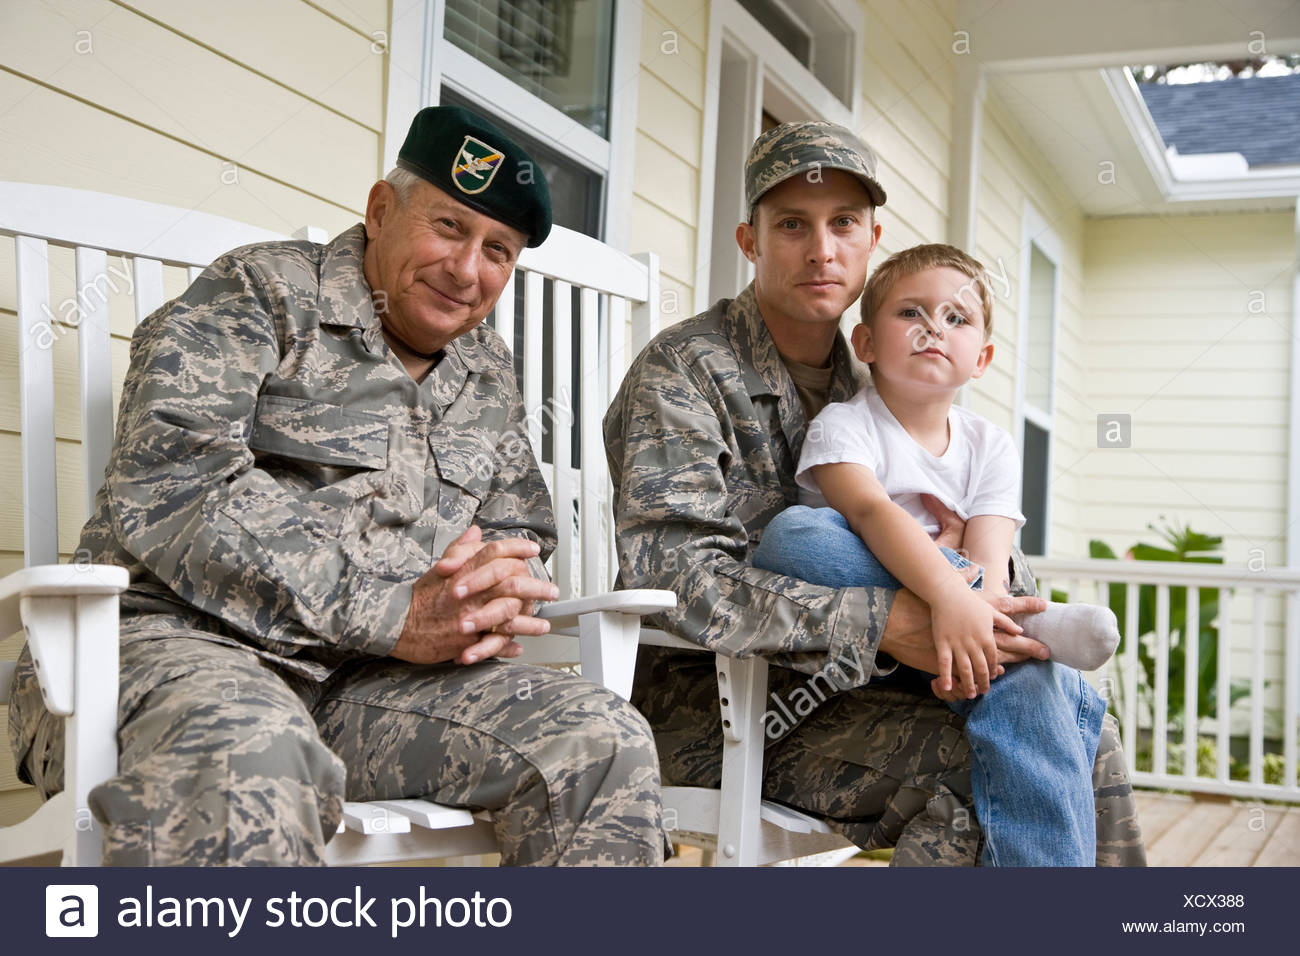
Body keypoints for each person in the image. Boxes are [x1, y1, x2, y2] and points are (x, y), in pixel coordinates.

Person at [8, 105, 664, 866]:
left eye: (498, 251)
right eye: (449, 227)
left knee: (601, 739)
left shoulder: (487, 369)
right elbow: (174, 484)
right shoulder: (257, 293)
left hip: (369, 689)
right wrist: (393, 613)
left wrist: (494, 589)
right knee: (250, 750)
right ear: (381, 211)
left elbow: (521, 533)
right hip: (173, 648)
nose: (467, 270)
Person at [604, 120, 1146, 865]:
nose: (821, 250)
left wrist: (957, 582)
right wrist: (886, 619)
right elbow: (673, 579)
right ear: (750, 240)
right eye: (791, 225)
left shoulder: (881, 381)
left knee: (1081, 733)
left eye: (844, 224)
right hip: (723, 706)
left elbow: (980, 533)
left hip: (867, 686)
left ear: (871, 241)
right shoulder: (684, 371)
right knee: (1009, 768)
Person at [752, 242, 1120, 865]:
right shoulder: (845, 425)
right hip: (866, 645)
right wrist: (948, 588)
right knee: (794, 535)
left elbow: (991, 550)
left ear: (982, 359)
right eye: (911, 313)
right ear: (866, 342)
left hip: (959, 647)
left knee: (1020, 687)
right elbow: (869, 513)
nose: (933, 328)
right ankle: (1026, 630)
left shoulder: (990, 445)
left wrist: (974, 601)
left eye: (956, 317)